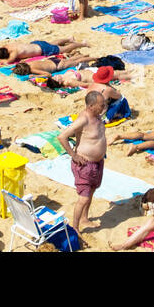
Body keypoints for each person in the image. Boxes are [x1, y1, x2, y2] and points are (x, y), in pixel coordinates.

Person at [58, 90, 108, 231]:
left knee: (92, 191)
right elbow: (62, 136)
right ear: (91, 106)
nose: (103, 107)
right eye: (100, 105)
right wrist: (73, 155)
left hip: (97, 163)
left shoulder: (97, 115)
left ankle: (85, 219)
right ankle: (75, 228)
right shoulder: (83, 119)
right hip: (84, 165)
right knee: (84, 198)